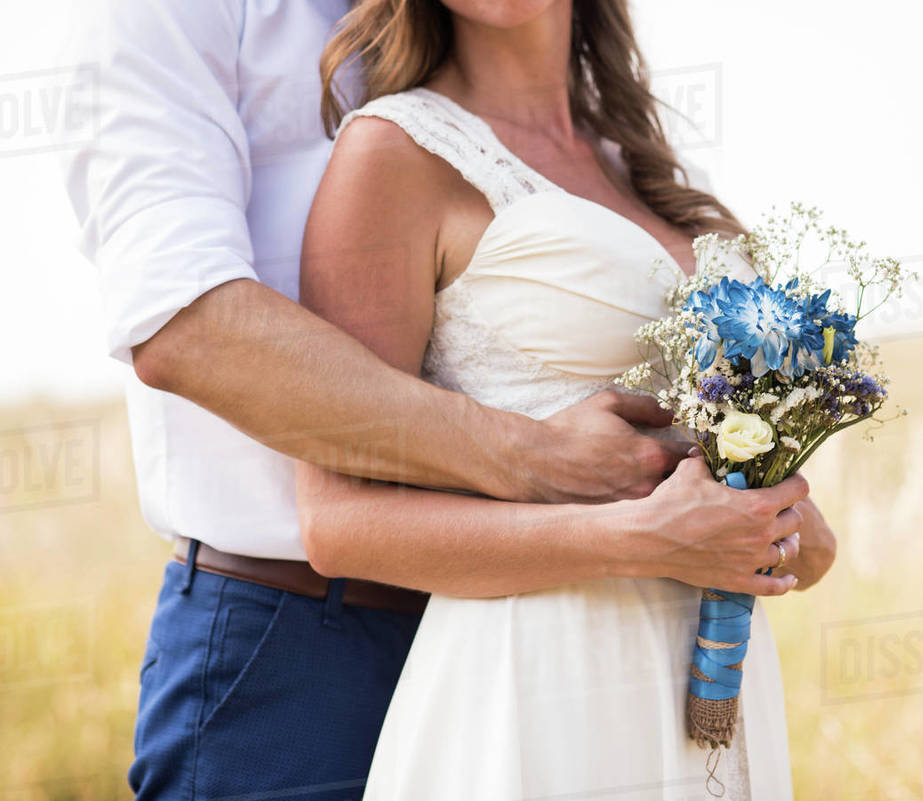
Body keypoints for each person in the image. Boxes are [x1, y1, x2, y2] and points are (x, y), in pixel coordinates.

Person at [64, 0, 835, 797]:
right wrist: (555, 469)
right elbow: (184, 325)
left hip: (627, 665)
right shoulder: (362, 126)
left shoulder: (642, 164)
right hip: (293, 630)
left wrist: (766, 519)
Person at [297, 1, 833, 798]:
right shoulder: (392, 154)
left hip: (717, 685)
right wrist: (639, 539)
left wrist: (783, 531)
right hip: (534, 687)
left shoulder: (648, 165)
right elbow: (338, 524)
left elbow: (770, 508)